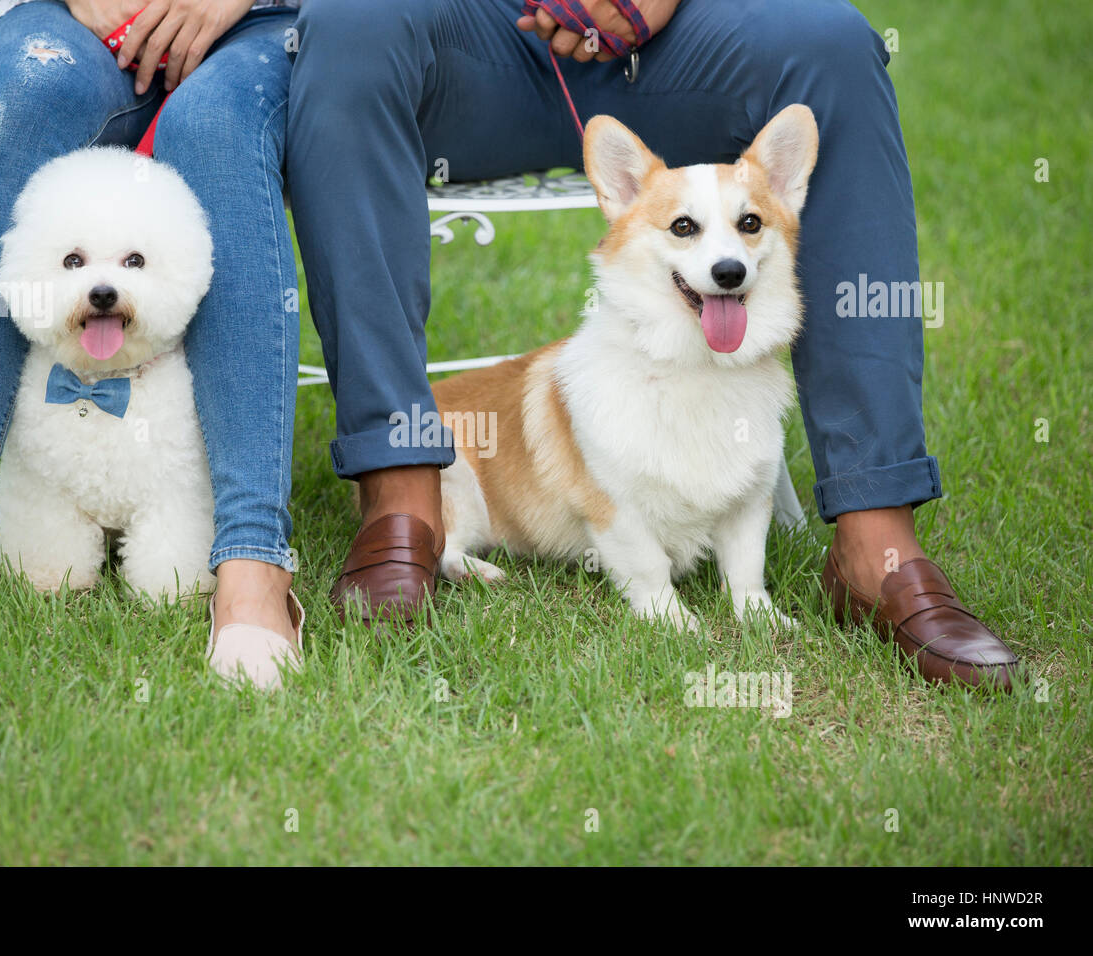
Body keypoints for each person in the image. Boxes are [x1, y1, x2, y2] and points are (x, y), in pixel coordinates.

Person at [285, 0, 1019, 688]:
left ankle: (875, 536)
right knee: (352, 18)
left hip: (670, 44)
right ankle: (406, 491)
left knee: (832, 42)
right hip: (466, 37)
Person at [0, 0, 305, 687]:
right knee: (33, 90)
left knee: (214, 123)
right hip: (76, 12)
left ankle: (250, 562)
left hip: (259, 19)